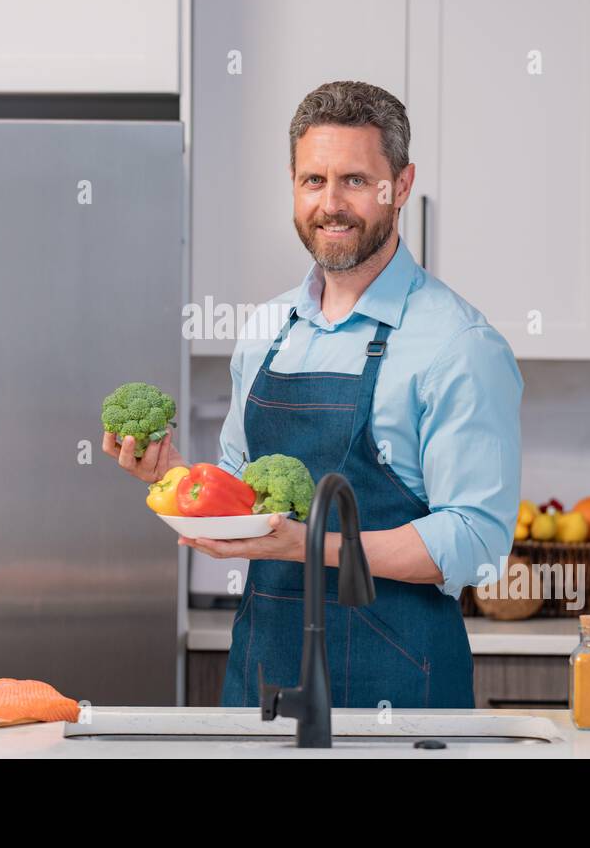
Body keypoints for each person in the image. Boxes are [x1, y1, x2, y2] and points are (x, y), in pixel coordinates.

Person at [105, 79, 522, 708]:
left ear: (400, 186)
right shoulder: (267, 329)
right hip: (263, 686)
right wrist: (175, 478)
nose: (331, 204)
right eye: (312, 181)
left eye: (355, 180)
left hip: (399, 693)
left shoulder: (458, 344)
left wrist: (305, 544)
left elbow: (474, 542)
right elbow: (242, 489)